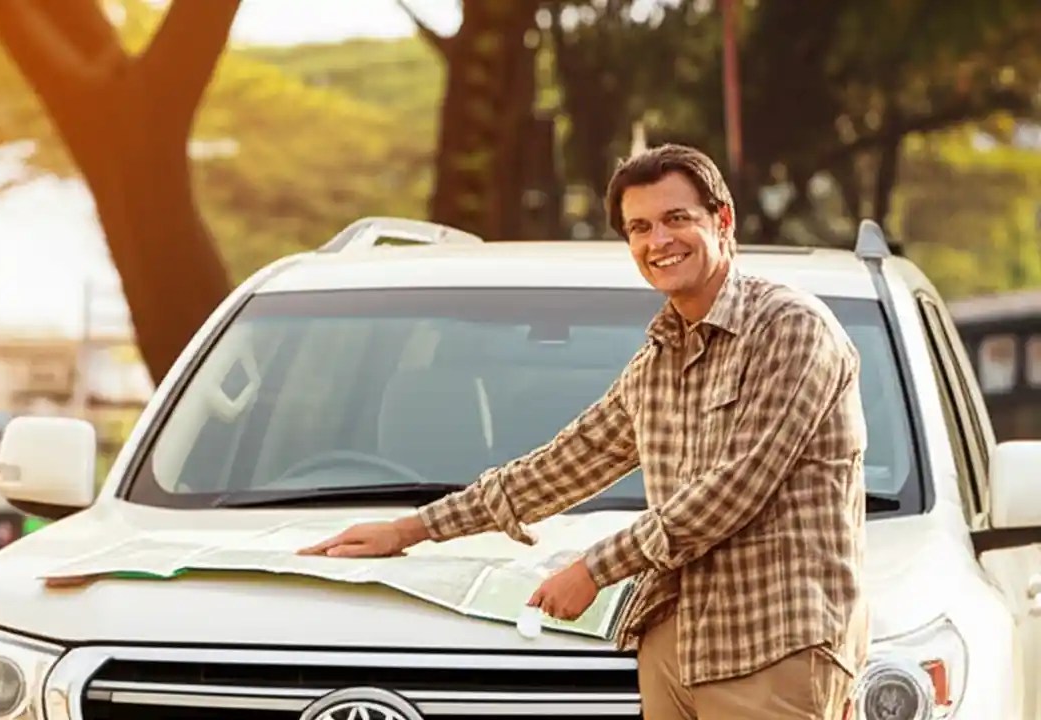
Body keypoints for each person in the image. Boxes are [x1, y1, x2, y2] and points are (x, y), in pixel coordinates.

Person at [299, 143, 868, 719]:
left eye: (677, 219)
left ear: (721, 220)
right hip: (675, 643)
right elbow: (565, 463)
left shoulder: (792, 329)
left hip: (774, 644)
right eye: (639, 227)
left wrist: (594, 570)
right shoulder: (659, 360)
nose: (658, 242)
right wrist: (410, 529)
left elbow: (733, 490)